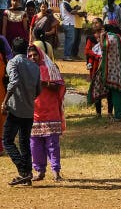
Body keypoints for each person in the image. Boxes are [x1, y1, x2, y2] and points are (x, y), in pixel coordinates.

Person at [2, 37, 41, 186]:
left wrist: (5, 101)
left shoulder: (12, 62)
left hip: (15, 109)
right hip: (29, 110)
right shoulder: (34, 67)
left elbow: (14, 81)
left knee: (7, 140)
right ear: (26, 50)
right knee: (24, 143)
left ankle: (23, 171)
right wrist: (29, 99)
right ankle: (28, 173)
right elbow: (38, 90)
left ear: (12, 49)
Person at [28, 44, 66, 182]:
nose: (33, 58)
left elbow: (59, 86)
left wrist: (45, 84)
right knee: (34, 144)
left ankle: (56, 171)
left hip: (50, 111)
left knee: (52, 144)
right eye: (30, 56)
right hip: (33, 113)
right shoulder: (26, 70)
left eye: (35, 55)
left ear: (40, 55)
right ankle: (39, 171)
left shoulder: (50, 68)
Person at [88, 24, 121, 122]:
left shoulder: (111, 37)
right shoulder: (120, 36)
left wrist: (102, 38)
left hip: (113, 69)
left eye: (103, 30)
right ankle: (120, 114)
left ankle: (119, 116)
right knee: (119, 93)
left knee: (115, 93)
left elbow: (104, 48)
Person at [85, 19, 112, 118]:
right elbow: (87, 51)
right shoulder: (91, 38)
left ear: (101, 24)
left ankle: (109, 112)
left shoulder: (108, 36)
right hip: (96, 66)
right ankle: (98, 113)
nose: (95, 24)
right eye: (93, 23)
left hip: (107, 65)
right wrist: (96, 56)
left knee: (109, 89)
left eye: (97, 22)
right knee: (96, 89)